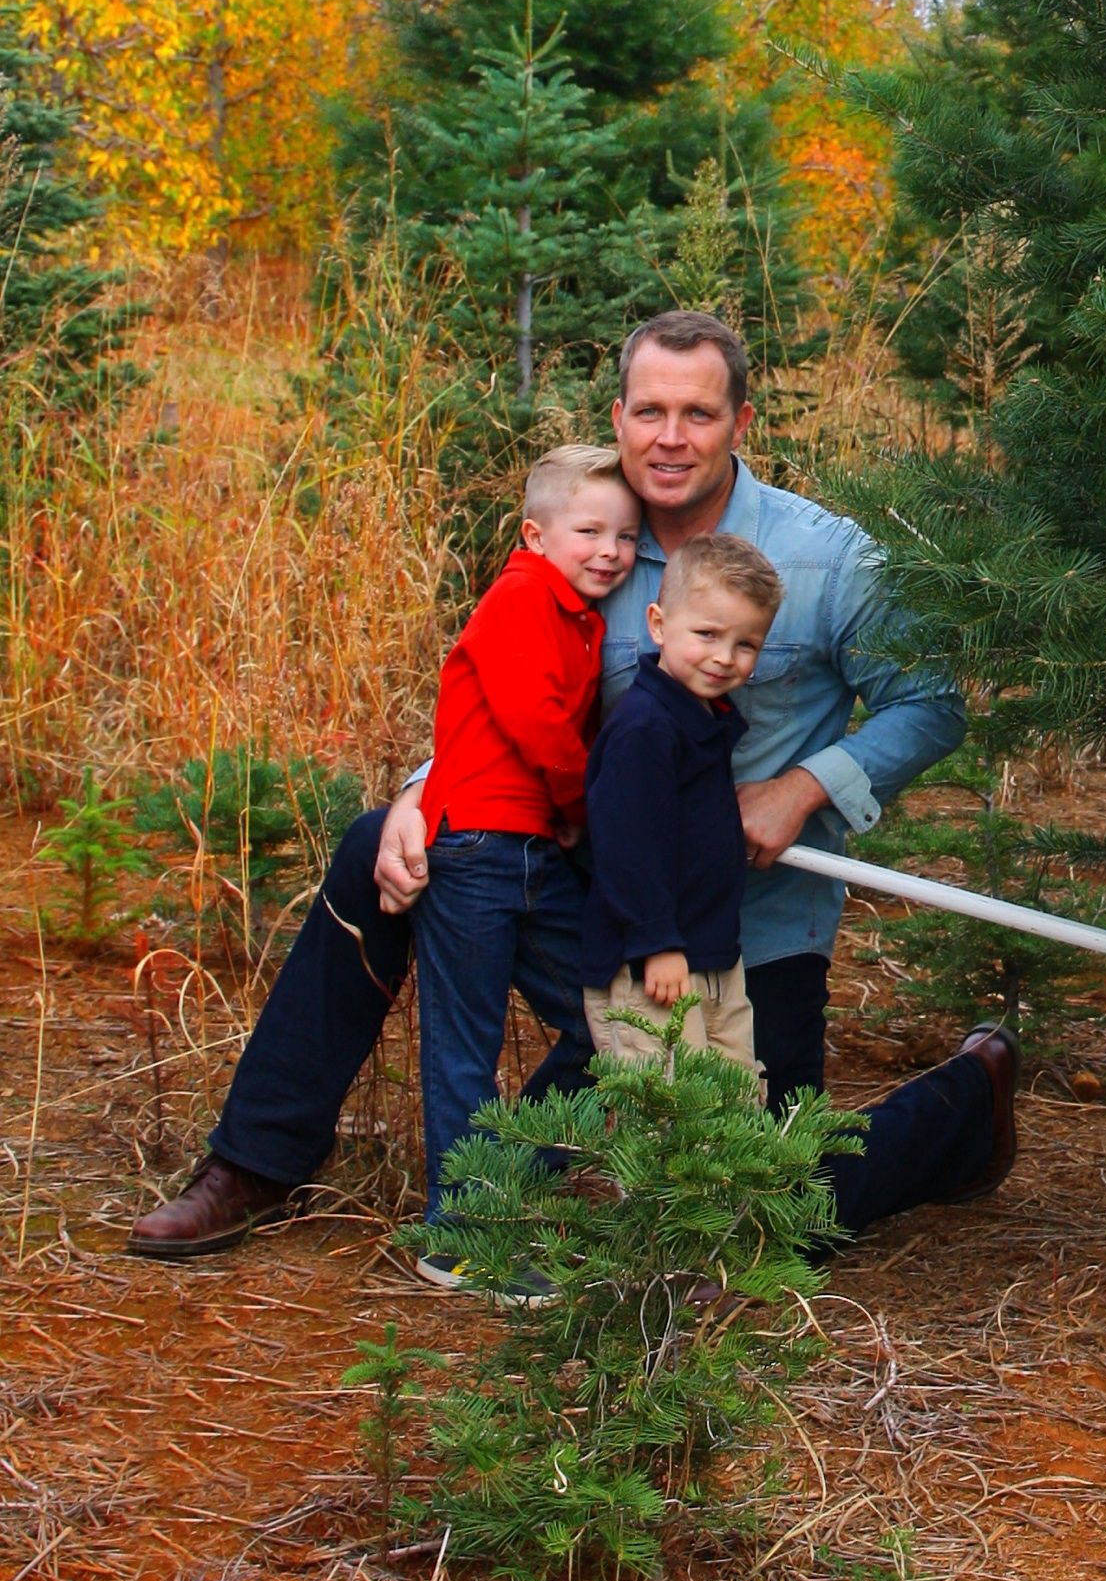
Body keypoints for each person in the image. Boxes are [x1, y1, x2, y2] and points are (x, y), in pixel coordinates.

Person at [128, 309, 1012, 1262]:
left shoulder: (825, 558)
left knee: (764, 1206)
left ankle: (964, 1110)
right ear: (621, 417)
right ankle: (258, 1160)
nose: (670, 438)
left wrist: (801, 785)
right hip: (597, 891)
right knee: (371, 849)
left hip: (746, 926)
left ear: (741, 423)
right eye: (649, 412)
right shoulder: (590, 544)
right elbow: (504, 688)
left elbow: (931, 703)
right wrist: (424, 794)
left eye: (698, 414)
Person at [413, 441, 640, 1282]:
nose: (609, 552)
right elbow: (541, 726)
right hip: (474, 846)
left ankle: (502, 1181)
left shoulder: (579, 615)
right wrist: (589, 811)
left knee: (605, 1021)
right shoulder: (518, 599)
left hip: (532, 853)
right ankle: (462, 1234)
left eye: (624, 537)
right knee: (465, 1044)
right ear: (535, 535)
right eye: (589, 531)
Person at [581, 528, 776, 1077]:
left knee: (732, 1109)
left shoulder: (704, 721)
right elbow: (626, 846)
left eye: (746, 644)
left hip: (713, 956)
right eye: (707, 634)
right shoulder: (644, 728)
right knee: (668, 1118)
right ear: (659, 625)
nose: (724, 658)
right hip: (652, 964)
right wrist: (655, 942)